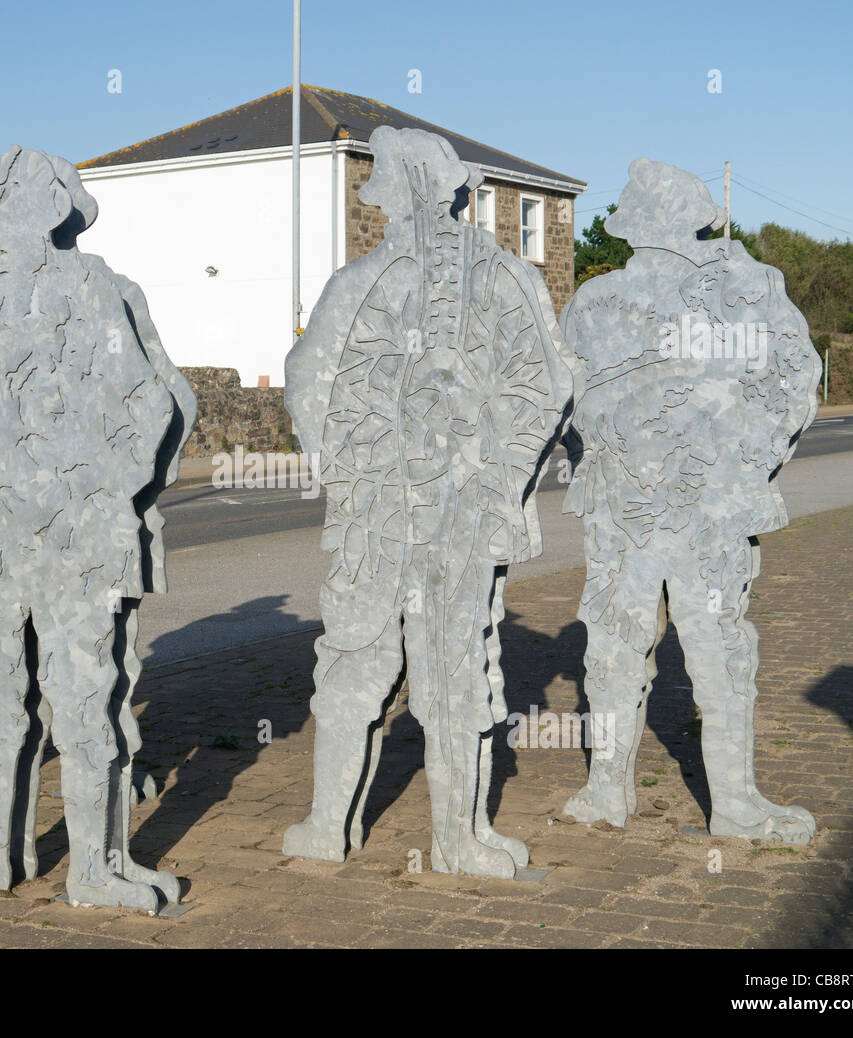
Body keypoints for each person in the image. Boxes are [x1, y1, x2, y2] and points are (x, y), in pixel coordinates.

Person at [0, 146, 195, 908]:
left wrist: (103, 492)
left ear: (55, 214)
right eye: (3, 204)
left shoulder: (97, 292)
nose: (8, 218)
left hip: (78, 542)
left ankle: (95, 869)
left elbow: (152, 404)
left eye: (26, 201)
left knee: (84, 699)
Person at [282, 127, 572, 876]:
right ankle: (374, 830)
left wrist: (358, 469)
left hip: (432, 513)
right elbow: (544, 386)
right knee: (402, 663)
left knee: (415, 664)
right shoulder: (489, 276)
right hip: (402, 513)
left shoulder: (387, 282)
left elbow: (309, 385)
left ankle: (441, 834)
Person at [559, 158, 819, 844]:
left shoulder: (744, 288)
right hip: (634, 512)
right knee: (623, 646)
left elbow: (795, 379)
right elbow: (567, 404)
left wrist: (744, 462)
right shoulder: (598, 303)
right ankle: (611, 787)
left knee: (711, 648)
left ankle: (726, 801)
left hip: (702, 511)